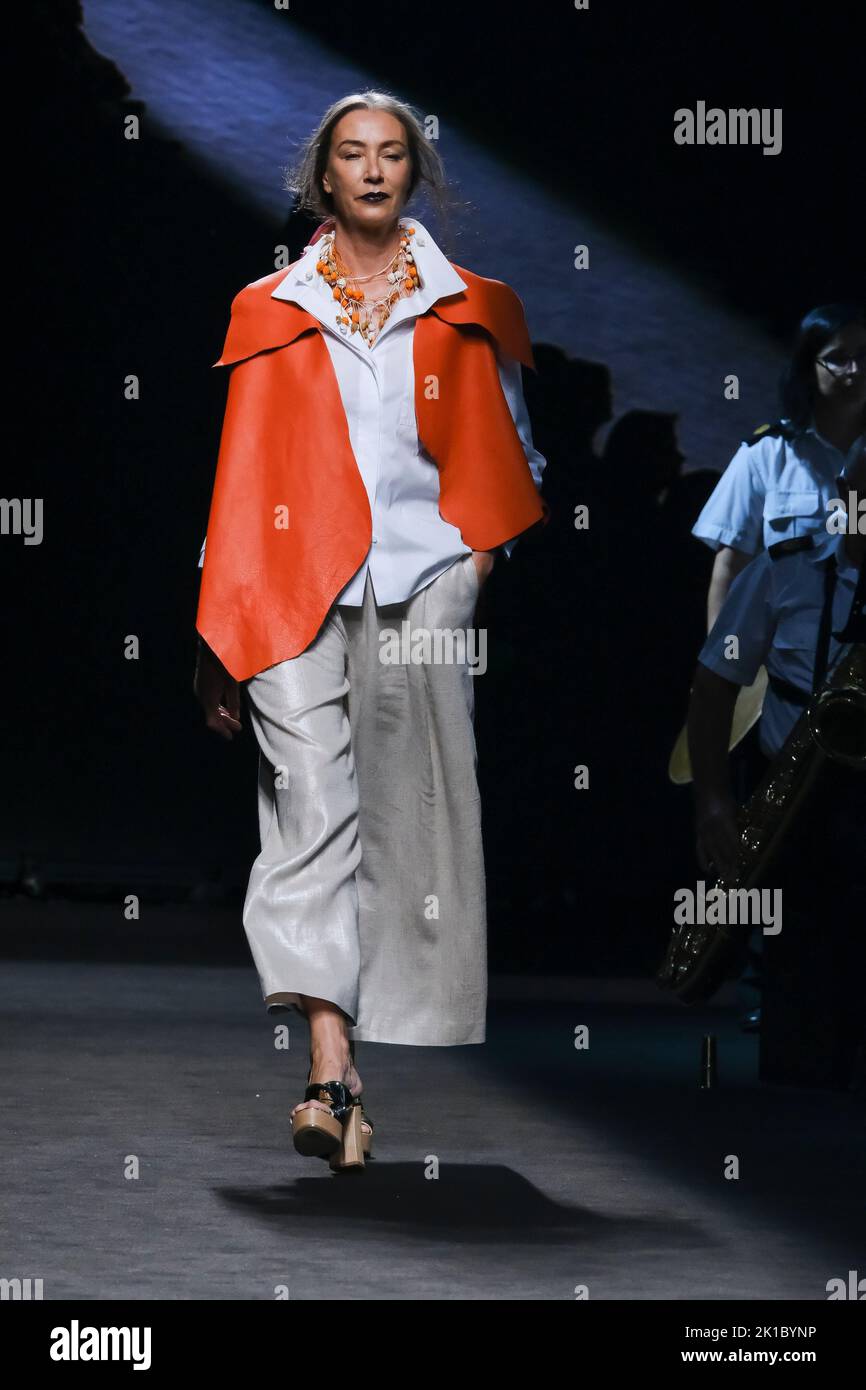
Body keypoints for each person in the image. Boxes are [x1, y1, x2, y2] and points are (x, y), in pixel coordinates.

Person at [193, 92, 547, 1168]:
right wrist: (215, 628)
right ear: (323, 177)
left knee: (409, 817)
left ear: (416, 174)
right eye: (353, 154)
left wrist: (472, 568)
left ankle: (353, 1073)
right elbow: (240, 477)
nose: (374, 170)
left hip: (421, 583)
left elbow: (515, 458)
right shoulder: (270, 305)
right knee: (308, 806)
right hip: (292, 582)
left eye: (393, 154)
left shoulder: (469, 305)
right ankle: (327, 1060)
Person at [686, 448, 866, 1089]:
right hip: (799, 803)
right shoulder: (782, 571)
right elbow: (712, 688)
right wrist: (713, 803)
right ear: (841, 491)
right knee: (799, 982)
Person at [692, 303, 865, 629]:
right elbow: (730, 568)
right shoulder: (767, 454)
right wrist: (721, 665)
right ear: (807, 367)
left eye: (864, 355)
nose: (855, 370)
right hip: (777, 660)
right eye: (839, 358)